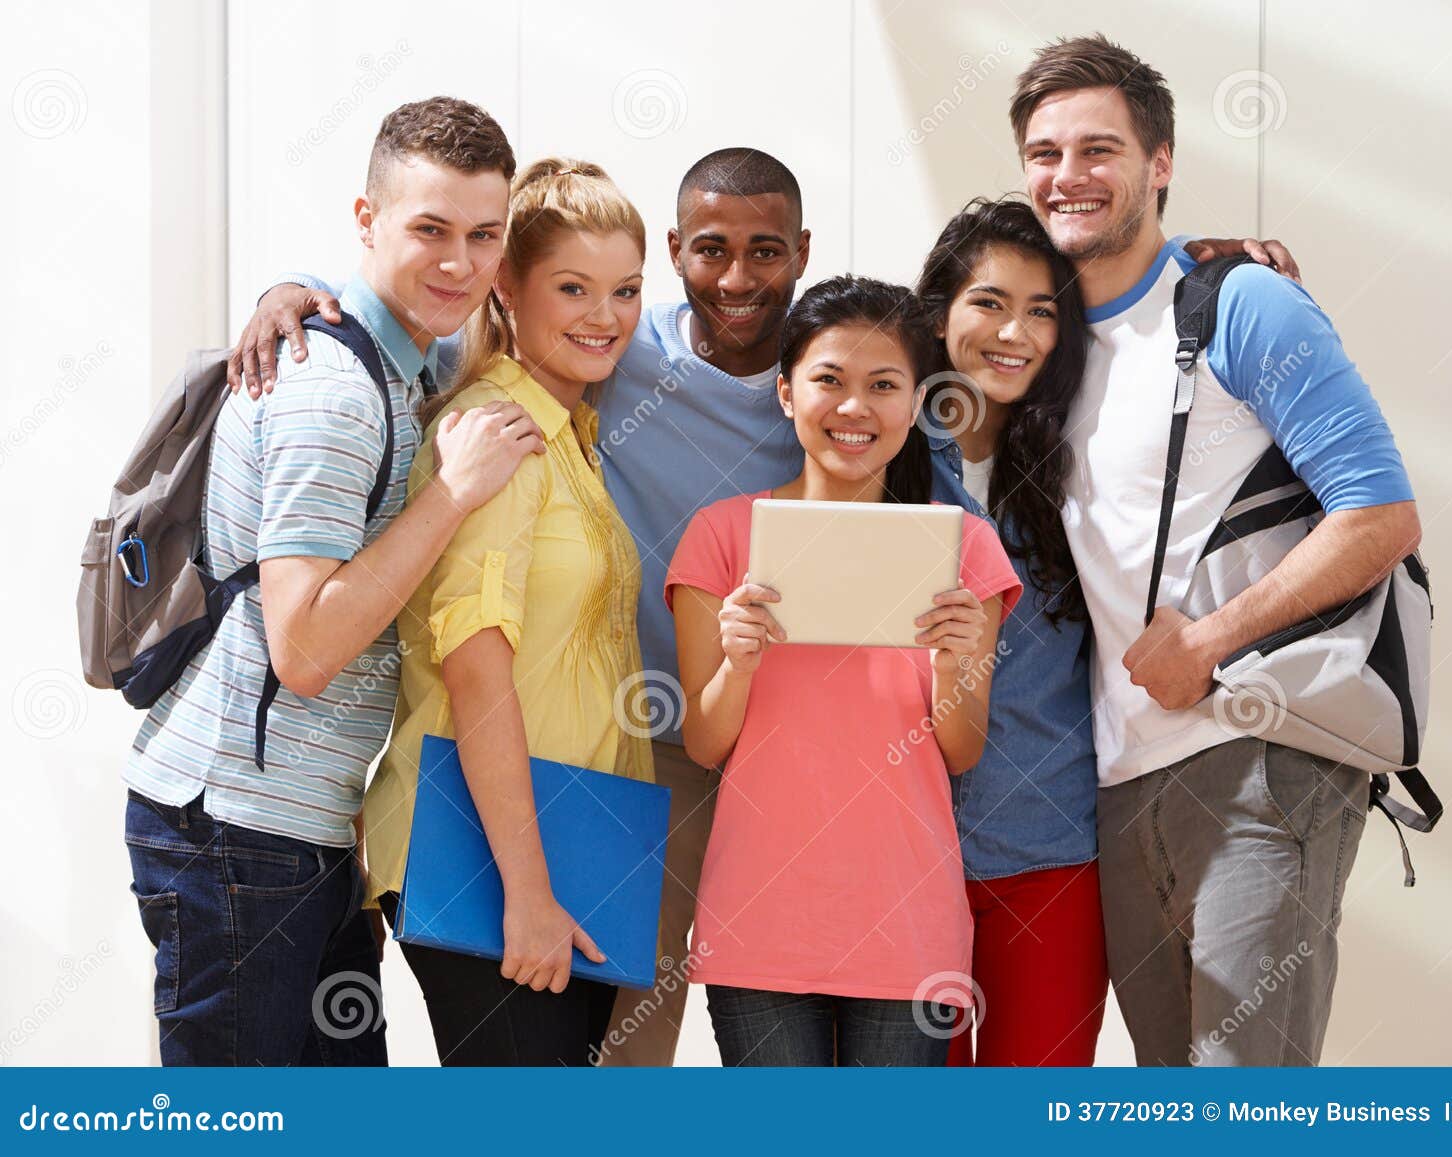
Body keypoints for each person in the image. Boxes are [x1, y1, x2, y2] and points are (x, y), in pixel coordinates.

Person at [227, 142, 1292, 1064]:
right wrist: (310, 292)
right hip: (644, 775)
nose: (732, 277)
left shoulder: (903, 464)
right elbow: (475, 272)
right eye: (706, 251)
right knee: (615, 1060)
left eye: (764, 250)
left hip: (653, 792)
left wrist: (1200, 273)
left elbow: (1019, 330)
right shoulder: (591, 374)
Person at [1011, 33, 1422, 1065]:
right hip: (1119, 778)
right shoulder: (1040, 339)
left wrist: (1209, 639)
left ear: (1160, 162)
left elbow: (1378, 515)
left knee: (1246, 1098)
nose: (1068, 175)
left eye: (1098, 149)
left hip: (1255, 751)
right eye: (1045, 152)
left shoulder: (1239, 303)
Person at [123, 97, 540, 1065]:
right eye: (429, 229)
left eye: (484, 236)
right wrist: (455, 493)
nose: (459, 263)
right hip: (234, 829)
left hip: (294, 832)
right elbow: (303, 648)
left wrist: (289, 282)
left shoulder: (401, 357)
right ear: (366, 221)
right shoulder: (334, 394)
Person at [669, 275, 1022, 1066]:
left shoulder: (964, 549)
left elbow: (960, 749)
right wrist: (738, 661)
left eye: (883, 385)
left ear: (916, 401)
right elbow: (703, 742)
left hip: (907, 924)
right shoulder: (723, 537)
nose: (855, 407)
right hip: (760, 921)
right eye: (829, 380)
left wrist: (951, 657)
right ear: (788, 393)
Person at [363, 159, 655, 1066]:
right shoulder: (496, 434)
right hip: (489, 855)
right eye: (572, 288)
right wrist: (524, 887)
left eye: (626, 290)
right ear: (507, 290)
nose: (603, 316)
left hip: (577, 846)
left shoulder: (572, 433)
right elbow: (476, 666)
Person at [913, 197, 1105, 1065]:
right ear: (941, 312)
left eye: (1042, 311)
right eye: (990, 302)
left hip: (1049, 842)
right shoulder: (872, 438)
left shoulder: (1089, 456)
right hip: (900, 851)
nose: (1014, 332)